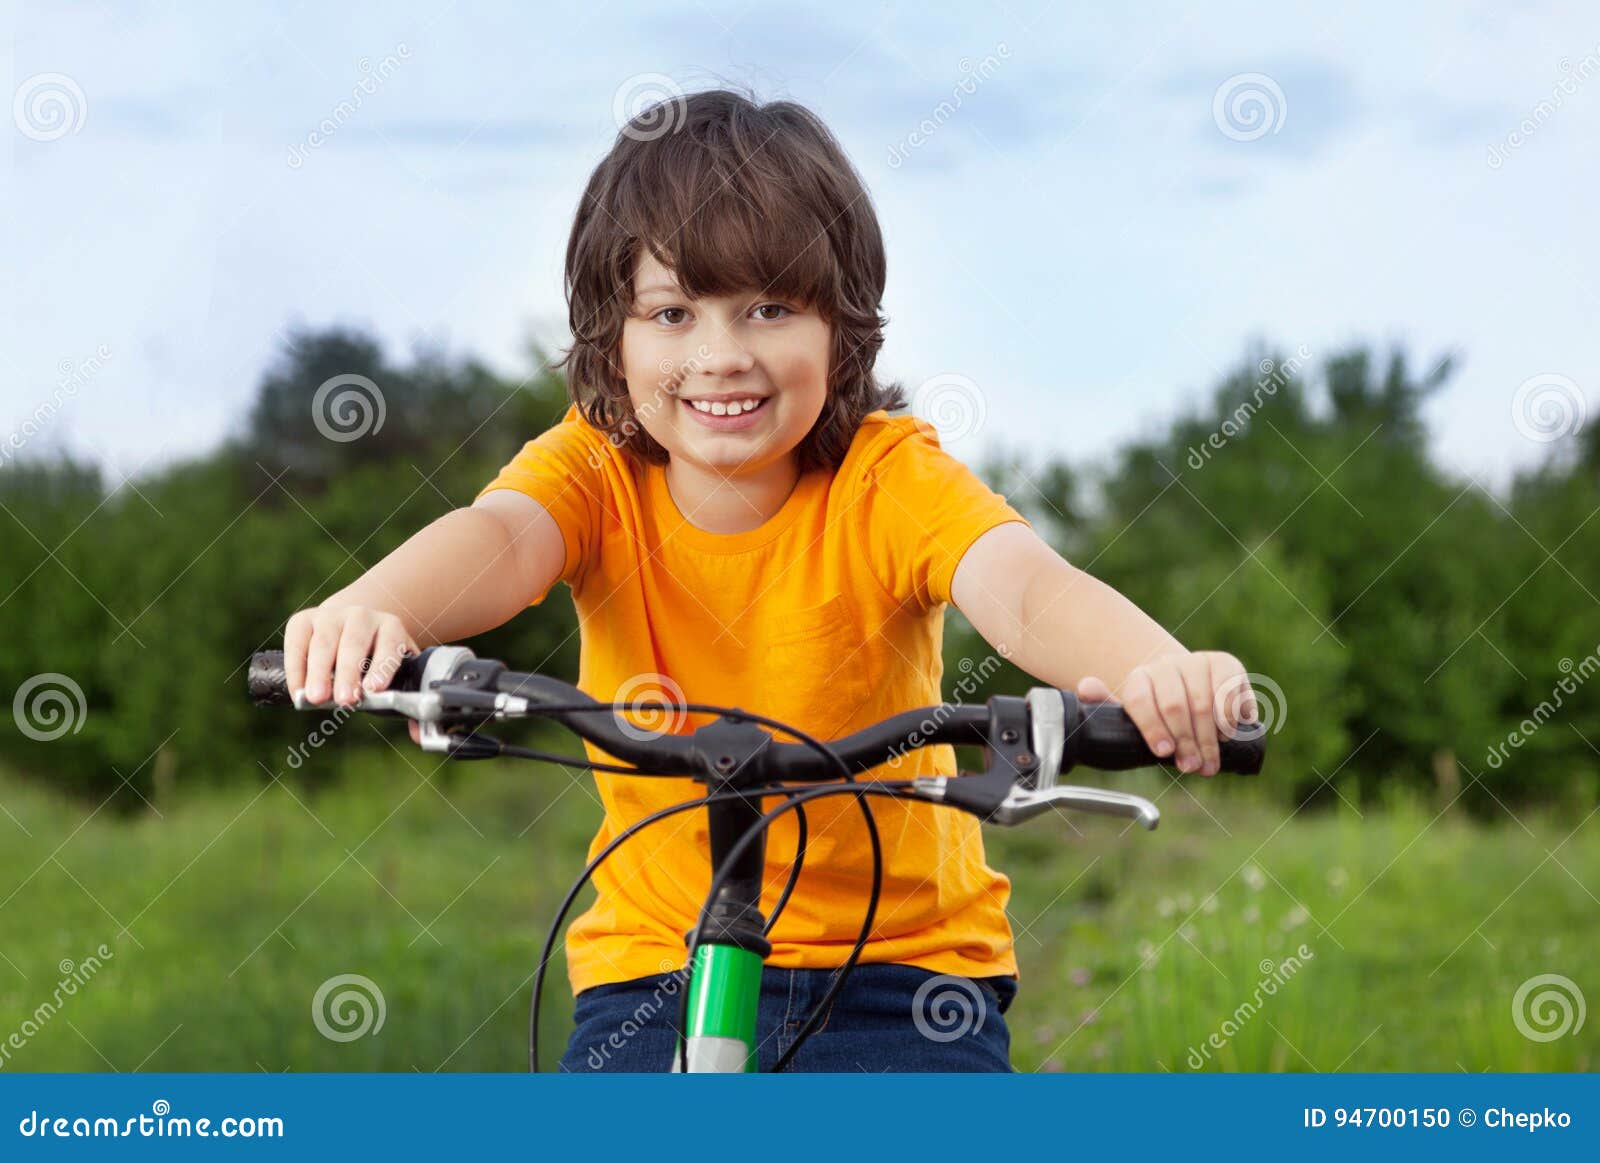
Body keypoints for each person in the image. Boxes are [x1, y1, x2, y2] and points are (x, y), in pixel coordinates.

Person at [279, 88, 1256, 1072]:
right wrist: (380, 608)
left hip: (899, 967)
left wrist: (1152, 668)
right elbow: (498, 536)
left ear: (842, 327)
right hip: (654, 965)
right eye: (671, 312)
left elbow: (1023, 588)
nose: (721, 355)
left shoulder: (886, 476)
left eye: (771, 307)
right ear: (611, 341)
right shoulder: (593, 471)